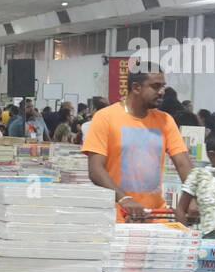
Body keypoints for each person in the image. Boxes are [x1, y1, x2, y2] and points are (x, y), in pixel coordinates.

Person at [82, 64, 193, 219]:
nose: (162, 92)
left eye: (163, 87)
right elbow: (96, 169)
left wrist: (193, 198)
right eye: (156, 86)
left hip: (155, 216)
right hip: (116, 216)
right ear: (136, 88)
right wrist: (124, 199)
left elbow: (183, 164)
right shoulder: (105, 117)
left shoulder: (166, 121)